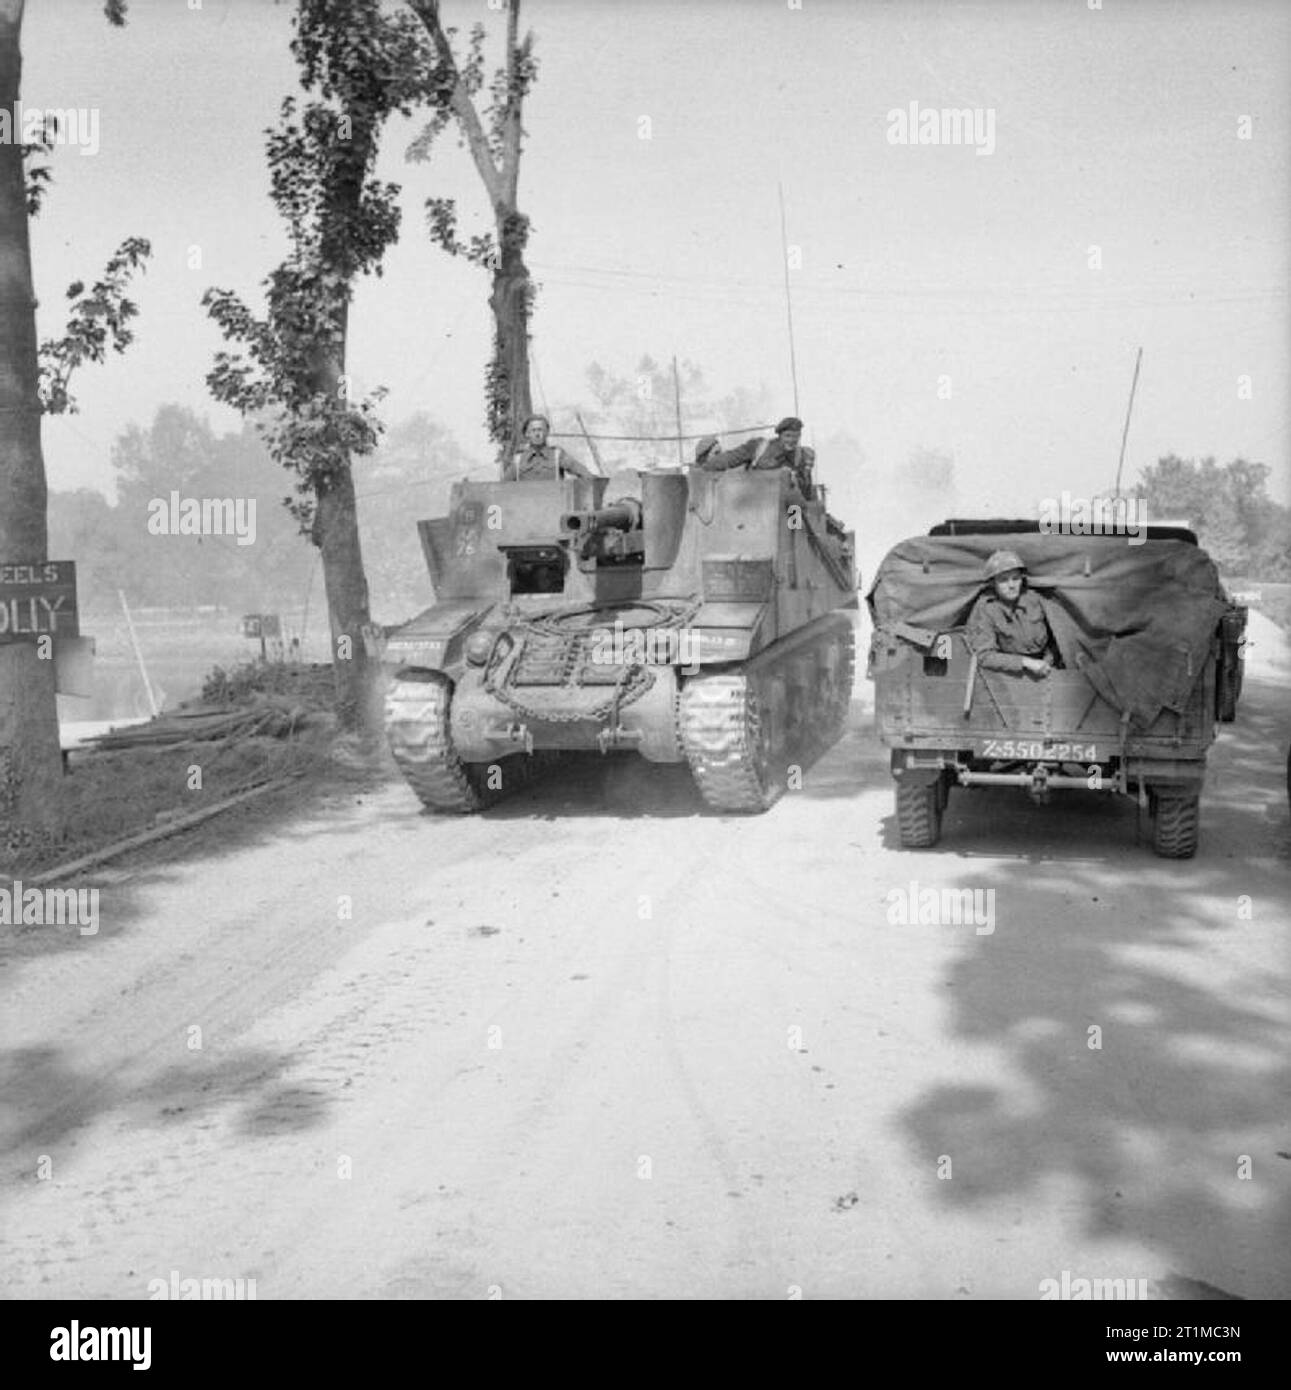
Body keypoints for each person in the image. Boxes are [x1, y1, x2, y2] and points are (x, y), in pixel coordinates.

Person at [965, 550, 1059, 675]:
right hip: (1009, 674)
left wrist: (1048, 660)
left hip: (1046, 668)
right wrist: (1025, 662)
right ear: (993, 583)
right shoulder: (986, 608)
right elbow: (984, 655)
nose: (1011, 585)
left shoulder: (1034, 599)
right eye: (1003, 580)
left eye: (1015, 579)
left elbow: (1058, 636)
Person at [694, 416, 816, 496]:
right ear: (780, 436)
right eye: (788, 436)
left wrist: (804, 473)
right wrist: (703, 467)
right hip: (754, 504)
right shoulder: (759, 447)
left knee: (795, 516)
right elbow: (730, 458)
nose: (792, 441)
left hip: (786, 511)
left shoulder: (801, 457)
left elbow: (805, 494)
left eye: (796, 437)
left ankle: (793, 535)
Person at [503, 414, 594, 481]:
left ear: (547, 432)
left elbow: (586, 475)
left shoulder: (558, 455)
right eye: (533, 430)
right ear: (527, 434)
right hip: (526, 505)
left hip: (556, 505)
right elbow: (502, 486)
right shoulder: (518, 460)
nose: (537, 434)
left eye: (540, 430)